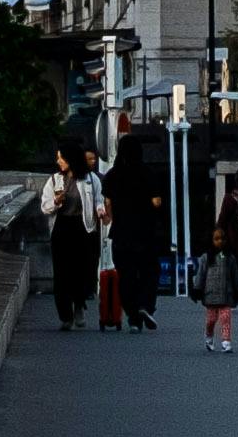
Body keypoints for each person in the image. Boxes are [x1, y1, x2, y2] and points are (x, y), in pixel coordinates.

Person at [106, 140, 172, 334]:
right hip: (146, 232)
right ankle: (145, 305)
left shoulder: (112, 176)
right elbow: (157, 202)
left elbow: (108, 202)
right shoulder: (148, 174)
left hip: (121, 233)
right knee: (149, 272)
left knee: (125, 276)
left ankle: (133, 317)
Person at [199, 164, 238, 351]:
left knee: (232, 272)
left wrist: (217, 239)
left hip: (234, 243)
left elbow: (222, 220)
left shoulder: (230, 198)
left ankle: (233, 297)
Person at [41, 150, 102, 330]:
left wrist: (100, 210)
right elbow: (45, 207)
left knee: (82, 270)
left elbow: (98, 199)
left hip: (83, 228)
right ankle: (65, 315)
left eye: (61, 157)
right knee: (62, 273)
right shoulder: (54, 180)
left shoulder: (90, 179)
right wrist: (56, 202)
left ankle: (79, 306)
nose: (58, 161)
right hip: (62, 227)